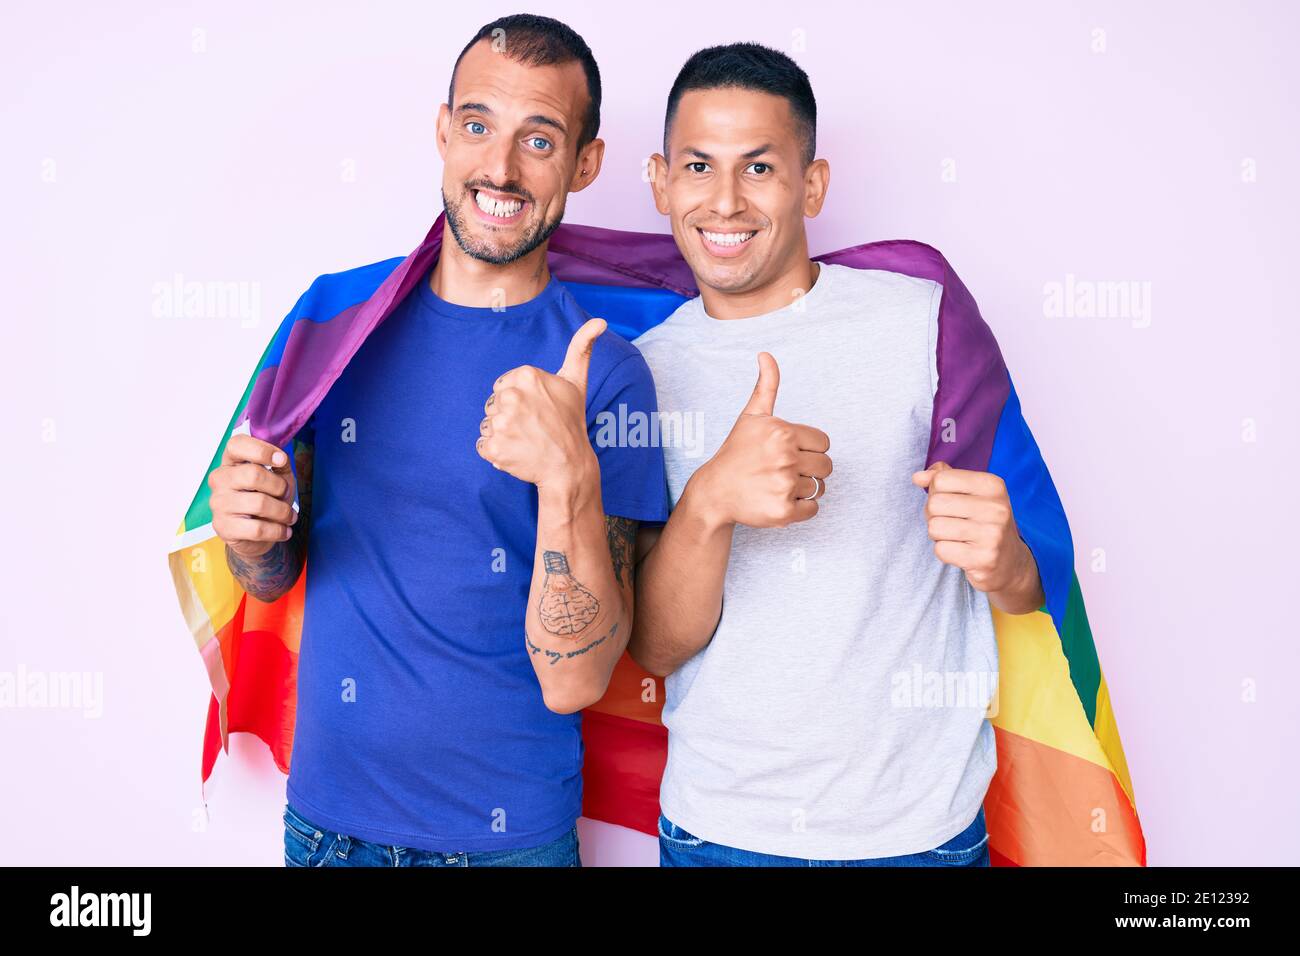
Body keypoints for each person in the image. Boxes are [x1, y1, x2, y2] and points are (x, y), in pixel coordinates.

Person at [205, 14, 668, 867]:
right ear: (443, 129)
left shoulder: (606, 372)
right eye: (479, 125)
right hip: (325, 831)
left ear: (586, 164)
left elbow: (578, 678)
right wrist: (250, 536)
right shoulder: (337, 322)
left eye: (540, 139)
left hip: (509, 842)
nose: (499, 167)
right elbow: (270, 577)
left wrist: (569, 475)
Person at [628, 43, 1045, 867]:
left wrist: (1007, 564)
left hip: (920, 834)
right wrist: (711, 501)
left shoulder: (924, 318)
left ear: (811, 184)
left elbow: (1031, 588)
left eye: (759, 168)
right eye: (698, 166)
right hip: (720, 831)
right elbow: (655, 648)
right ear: (659, 181)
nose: (723, 200)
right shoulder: (639, 372)